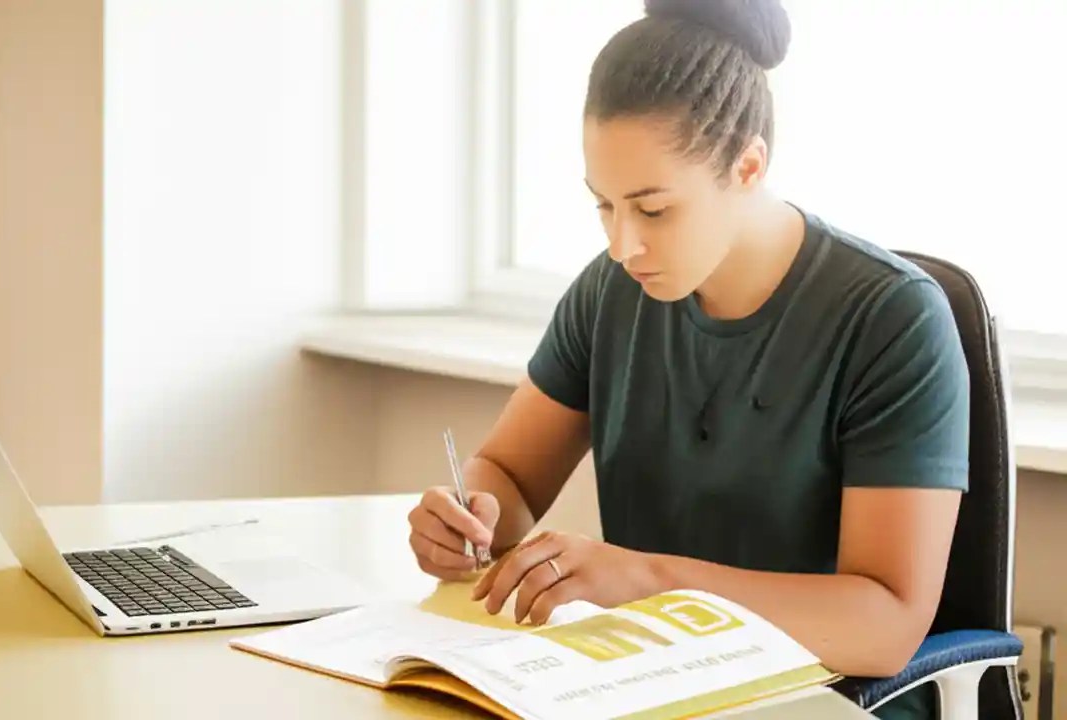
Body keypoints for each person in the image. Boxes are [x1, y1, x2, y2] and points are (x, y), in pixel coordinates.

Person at [405, 1, 969, 718]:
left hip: (825, 701)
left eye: (654, 210)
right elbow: (508, 475)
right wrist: (473, 517)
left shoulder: (893, 318)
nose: (622, 245)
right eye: (603, 207)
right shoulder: (611, 291)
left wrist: (643, 579)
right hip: (642, 689)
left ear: (748, 165)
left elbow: (886, 624)